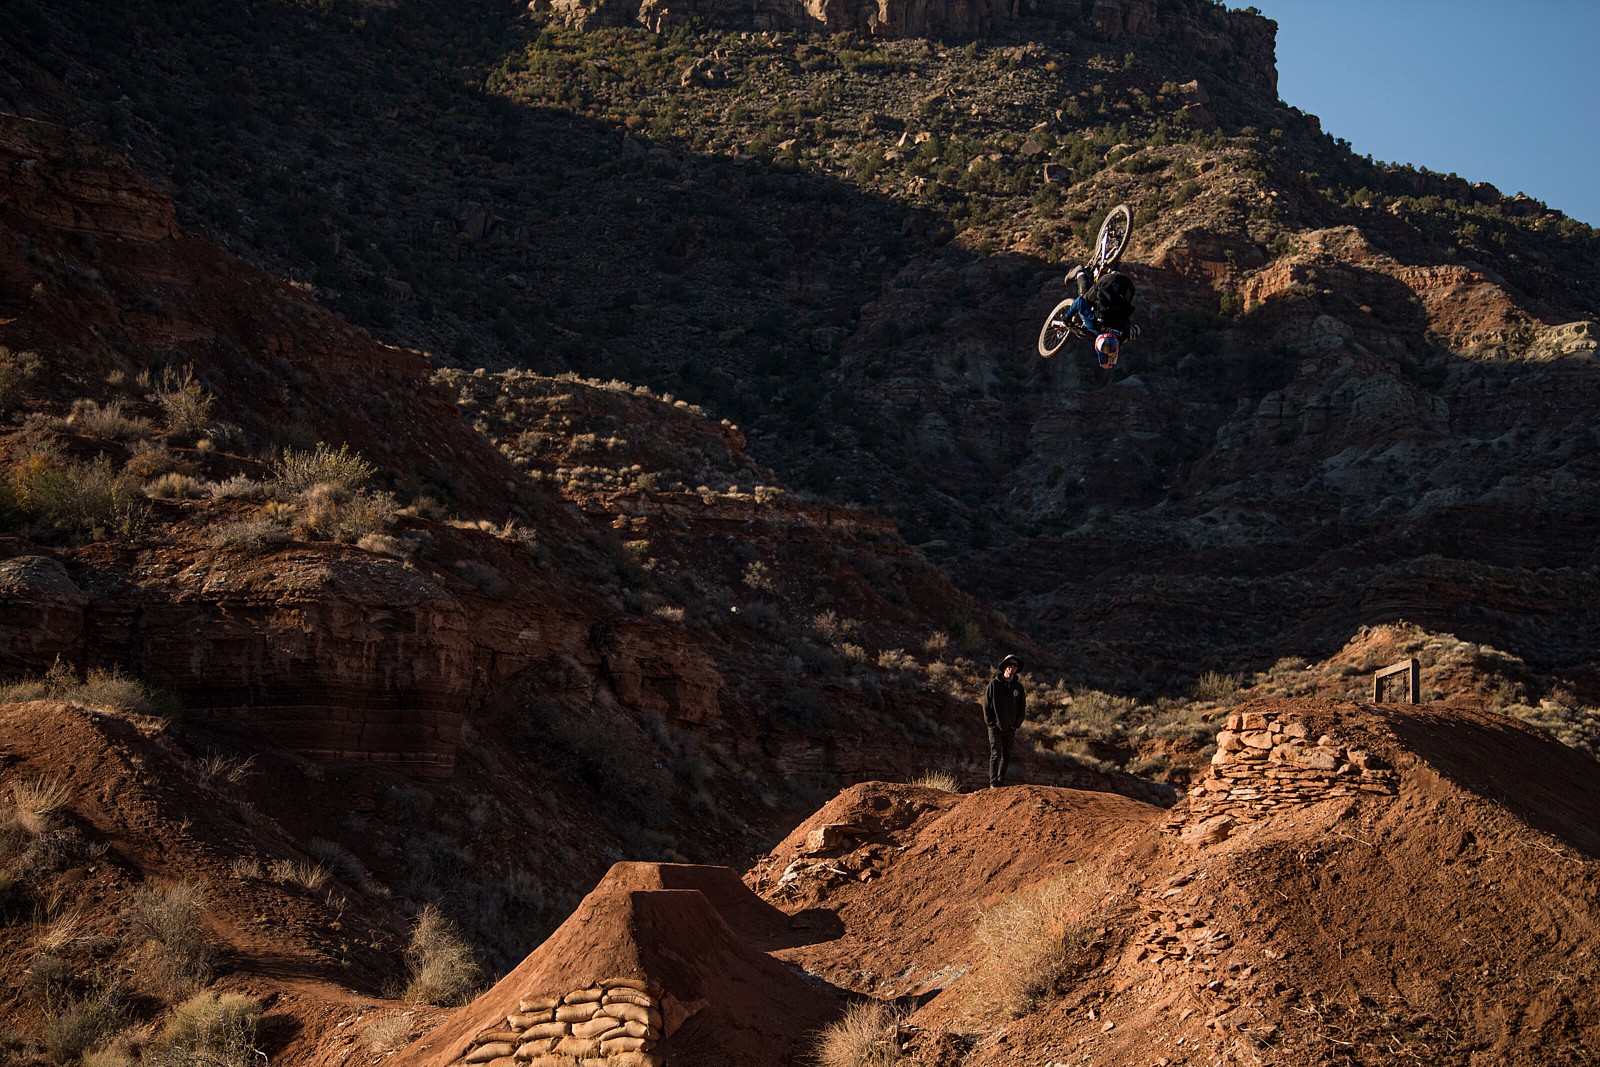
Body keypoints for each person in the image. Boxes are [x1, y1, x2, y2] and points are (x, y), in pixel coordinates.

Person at [1063, 264, 1140, 369]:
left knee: (1117, 302)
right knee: (1084, 295)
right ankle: (1079, 272)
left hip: (1128, 287)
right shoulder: (1093, 324)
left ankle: (1114, 269)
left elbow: (1136, 330)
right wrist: (1066, 318)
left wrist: (1126, 338)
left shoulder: (1123, 335)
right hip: (1107, 282)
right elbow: (1079, 302)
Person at [982, 654, 1027, 788]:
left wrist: (1016, 724)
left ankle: (1001, 779)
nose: (1012, 667)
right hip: (995, 726)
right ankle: (993, 782)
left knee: (1007, 754)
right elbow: (986, 705)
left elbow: (1022, 708)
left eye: (1015, 665)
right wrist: (990, 722)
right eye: (1009, 664)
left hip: (1011, 727)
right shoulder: (994, 685)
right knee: (996, 753)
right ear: (1004, 667)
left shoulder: (1018, 688)